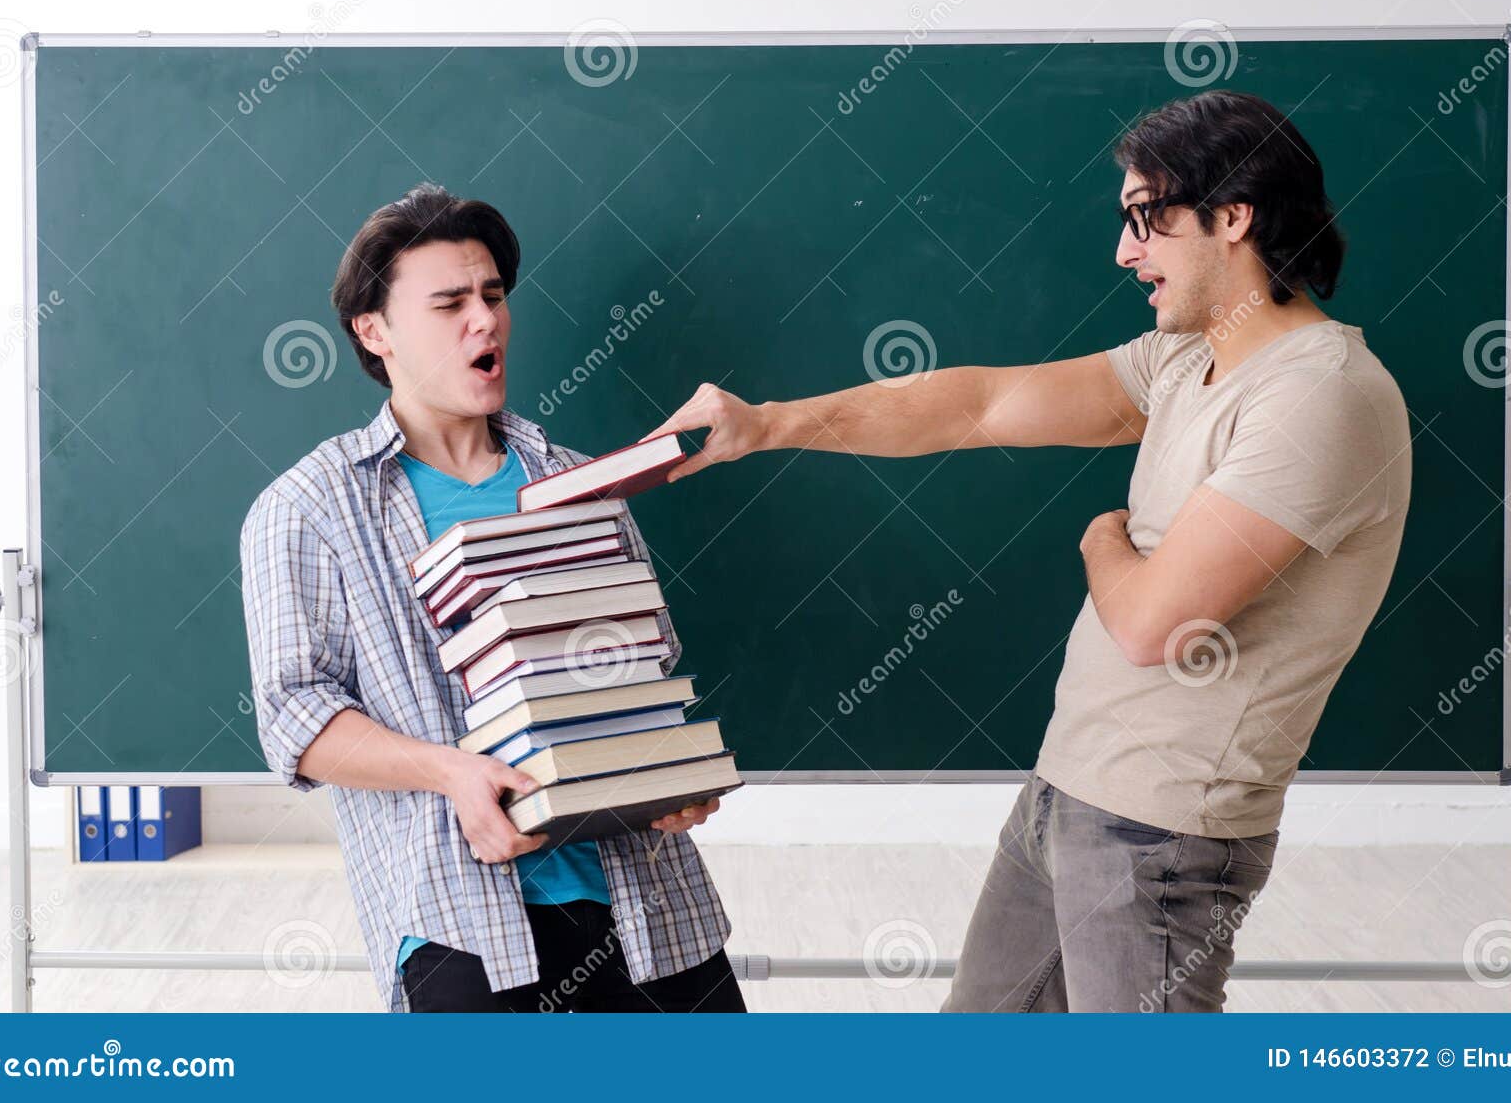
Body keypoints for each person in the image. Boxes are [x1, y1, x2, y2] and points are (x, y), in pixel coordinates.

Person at [645, 90, 1411, 1012]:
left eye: (1147, 221)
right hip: (1067, 796)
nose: (1124, 252)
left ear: (1234, 217)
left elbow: (1151, 623)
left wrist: (1103, 536)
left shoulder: (1318, 397)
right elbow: (980, 405)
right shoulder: (1185, 360)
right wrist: (769, 424)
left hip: (1164, 835)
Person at [239, 182, 744, 1013]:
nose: (485, 321)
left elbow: (648, 662)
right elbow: (296, 714)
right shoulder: (311, 508)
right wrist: (452, 774)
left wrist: (670, 770)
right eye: (449, 304)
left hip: (650, 906)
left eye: (494, 296)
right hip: (462, 925)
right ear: (375, 331)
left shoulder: (580, 482)